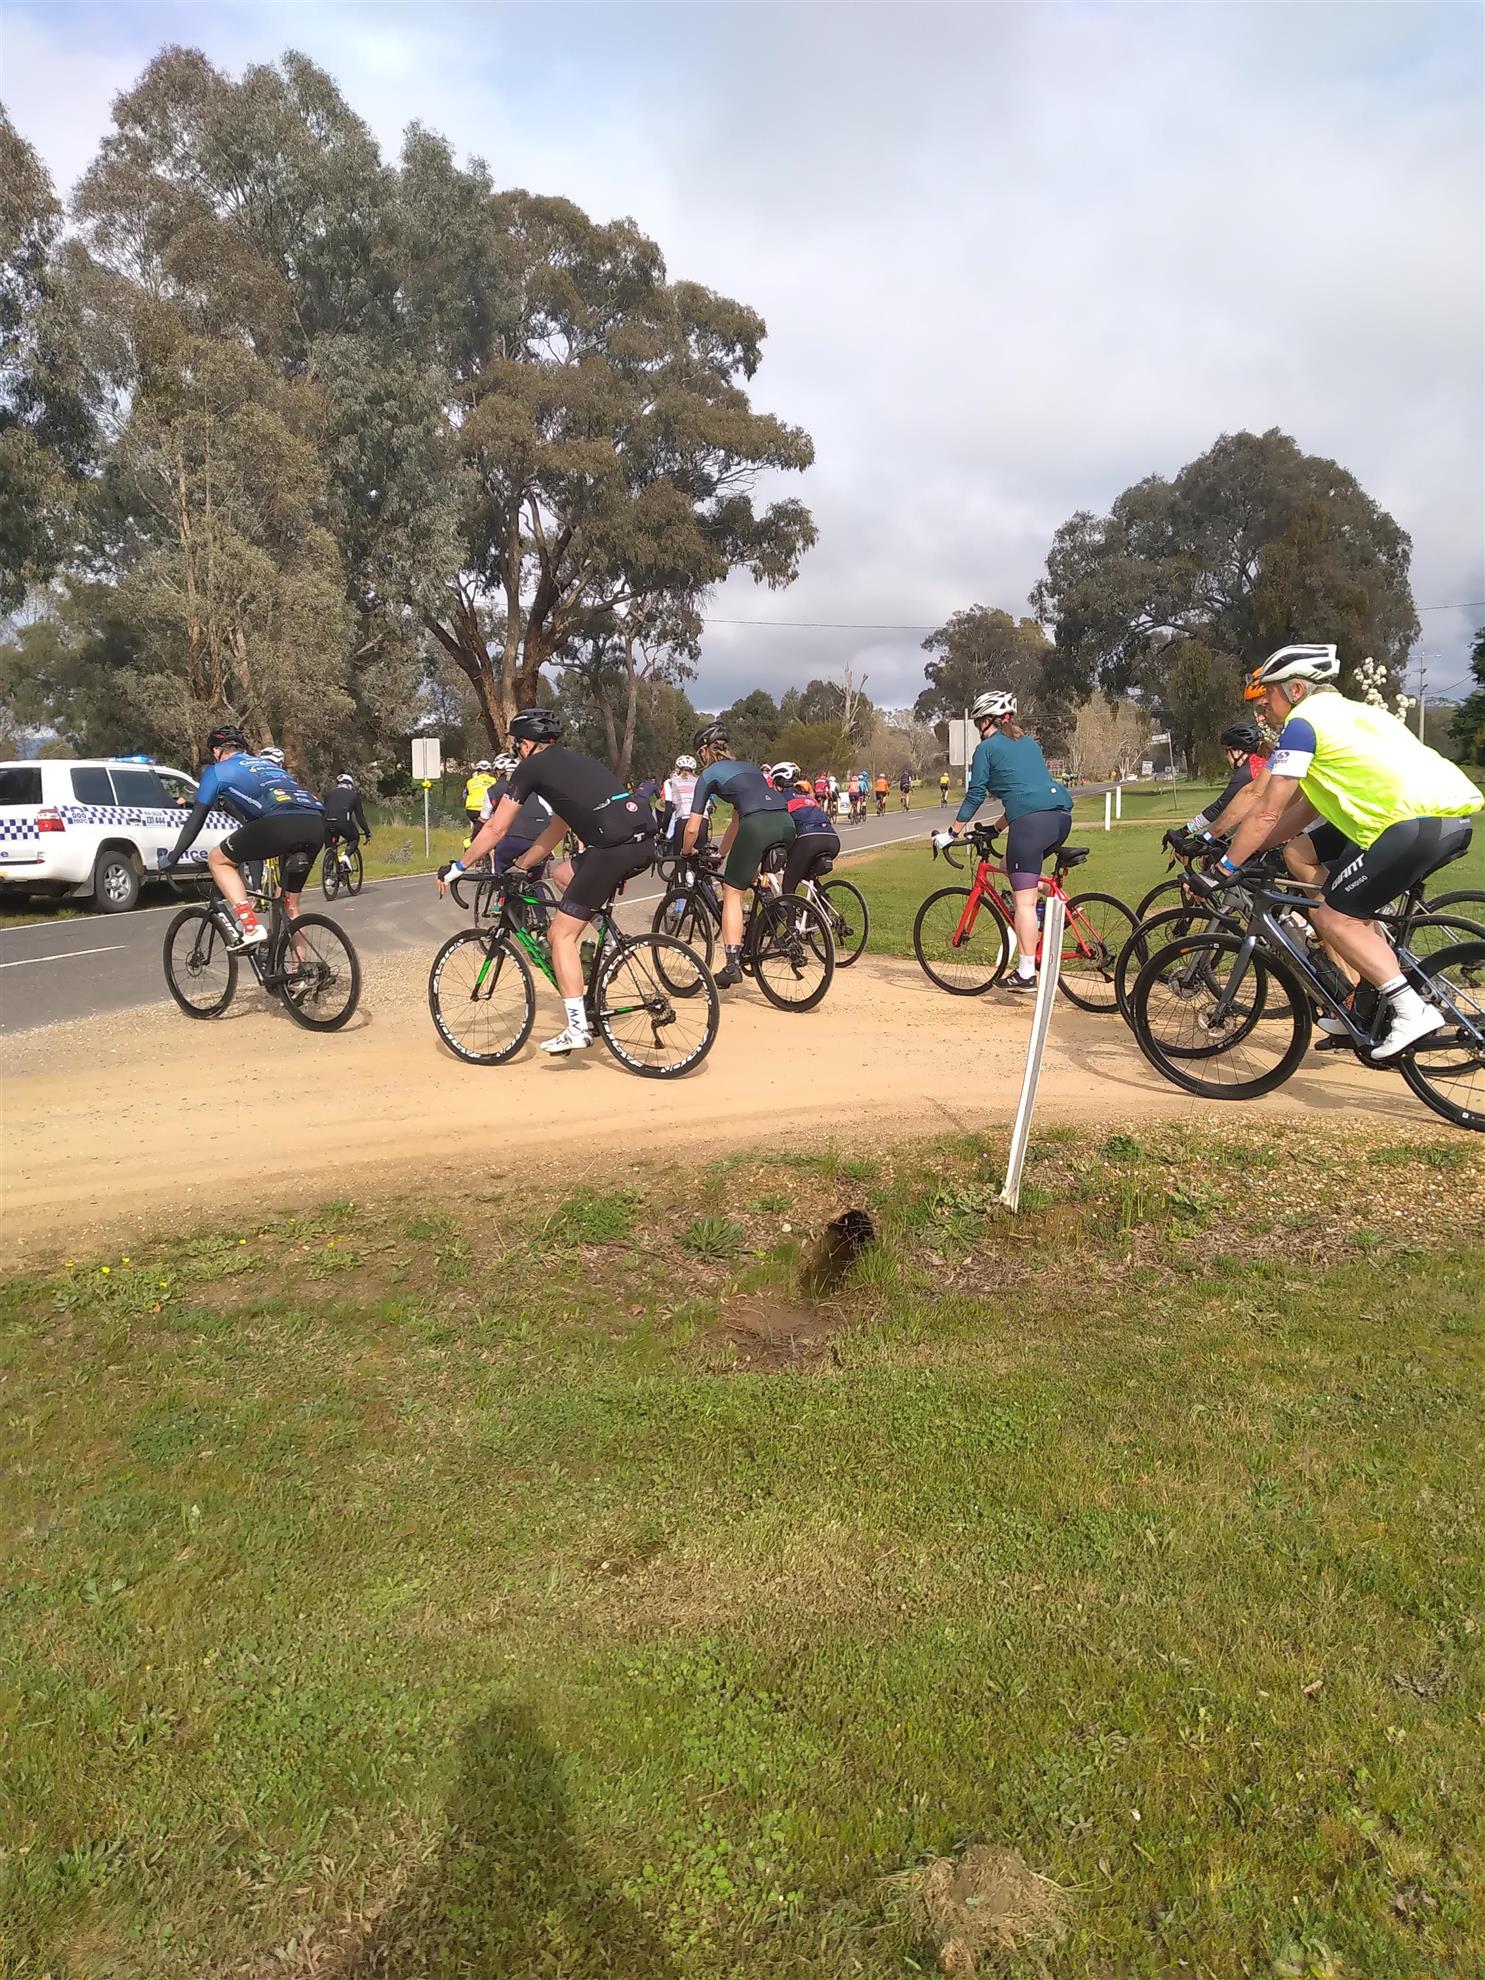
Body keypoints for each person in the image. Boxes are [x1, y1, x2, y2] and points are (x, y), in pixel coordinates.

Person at [1198, 642, 1481, 1059]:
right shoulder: (1355, 715)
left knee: (1333, 914)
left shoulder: (1304, 723)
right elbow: (1303, 810)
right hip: (1443, 820)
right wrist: (1255, 850)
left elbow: (1267, 812)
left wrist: (1223, 867)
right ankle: (1366, 1002)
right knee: (1306, 856)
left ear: (1295, 690)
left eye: (1268, 696)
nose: (1263, 710)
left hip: (1409, 825)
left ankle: (1409, 1009)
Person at [440, 711, 658, 1055]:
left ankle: (576, 1028)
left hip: (610, 850)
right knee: (561, 875)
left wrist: (457, 866)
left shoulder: (531, 768)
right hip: (644, 840)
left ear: (526, 744)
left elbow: (496, 828)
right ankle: (607, 938)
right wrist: (523, 865)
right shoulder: (575, 762)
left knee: (560, 935)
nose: (517, 751)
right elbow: (557, 829)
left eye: (517, 744)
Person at [937, 689, 1074, 994]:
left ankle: (1026, 972)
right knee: (1008, 867)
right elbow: (1024, 795)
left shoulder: (987, 749)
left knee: (1022, 901)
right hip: (1060, 818)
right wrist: (997, 829)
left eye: (977, 724)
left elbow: (976, 794)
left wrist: (952, 832)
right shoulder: (1028, 743)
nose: (977, 730)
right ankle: (1060, 906)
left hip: (1030, 825)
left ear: (988, 721)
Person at [159, 724, 326, 948]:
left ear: (217, 751)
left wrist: (173, 857)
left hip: (280, 822)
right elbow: (250, 815)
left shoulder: (217, 771)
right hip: (315, 822)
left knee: (218, 860)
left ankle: (250, 926)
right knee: (289, 904)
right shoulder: (266, 765)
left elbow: (196, 819)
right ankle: (302, 972)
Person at [681, 722, 795, 988]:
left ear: (703, 752)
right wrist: (722, 854)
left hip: (756, 825)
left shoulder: (708, 776)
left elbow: (693, 827)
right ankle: (768, 918)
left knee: (731, 891)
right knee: (754, 878)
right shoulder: (751, 769)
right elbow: (735, 822)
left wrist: (688, 850)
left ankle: (732, 964)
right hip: (785, 822)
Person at [770, 761, 840, 897]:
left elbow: (776, 828)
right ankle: (822, 905)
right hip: (833, 839)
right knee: (806, 874)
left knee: (788, 888)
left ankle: (791, 919)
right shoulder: (808, 796)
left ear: (778, 782)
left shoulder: (779, 799)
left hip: (809, 841)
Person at [479, 751, 552, 874]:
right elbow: (549, 811)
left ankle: (502, 890)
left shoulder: (494, 789)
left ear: (498, 772)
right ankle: (536, 890)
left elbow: (484, 817)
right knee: (533, 880)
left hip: (514, 838)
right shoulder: (533, 788)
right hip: (543, 837)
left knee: (501, 868)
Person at [323, 772, 372, 871]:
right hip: (344, 823)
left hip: (327, 823)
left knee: (330, 846)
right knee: (354, 838)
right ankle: (346, 856)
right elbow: (360, 817)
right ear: (350, 784)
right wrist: (367, 832)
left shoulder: (328, 794)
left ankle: (328, 875)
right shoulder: (353, 796)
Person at [660, 753, 699, 848]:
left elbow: (668, 810)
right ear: (693, 770)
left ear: (677, 769)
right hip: (701, 821)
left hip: (683, 820)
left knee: (680, 857)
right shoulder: (700, 781)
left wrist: (664, 829)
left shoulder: (670, 782)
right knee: (700, 857)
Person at [464, 759, 496, 842]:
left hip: (472, 810)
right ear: (489, 771)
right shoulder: (494, 781)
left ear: (477, 771)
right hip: (487, 810)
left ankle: (471, 843)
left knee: (476, 828)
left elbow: (465, 795)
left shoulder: (470, 781)